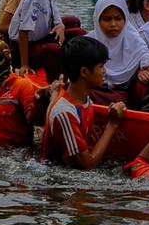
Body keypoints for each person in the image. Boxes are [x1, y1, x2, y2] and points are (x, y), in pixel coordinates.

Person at [41, 37, 127, 169]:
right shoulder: (65, 112)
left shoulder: (82, 97)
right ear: (84, 72)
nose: (105, 71)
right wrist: (112, 124)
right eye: (101, 67)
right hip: (57, 176)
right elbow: (88, 165)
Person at [85, 0, 149, 105]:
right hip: (96, 92)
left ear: (125, 19)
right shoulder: (89, 41)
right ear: (97, 20)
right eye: (107, 19)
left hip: (123, 96)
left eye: (118, 19)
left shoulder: (132, 39)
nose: (113, 24)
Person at [9, 0, 67, 80]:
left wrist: (60, 25)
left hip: (41, 36)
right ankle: (56, 81)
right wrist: (24, 65)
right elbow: (23, 32)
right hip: (24, 47)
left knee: (75, 27)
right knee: (54, 50)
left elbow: (55, 12)